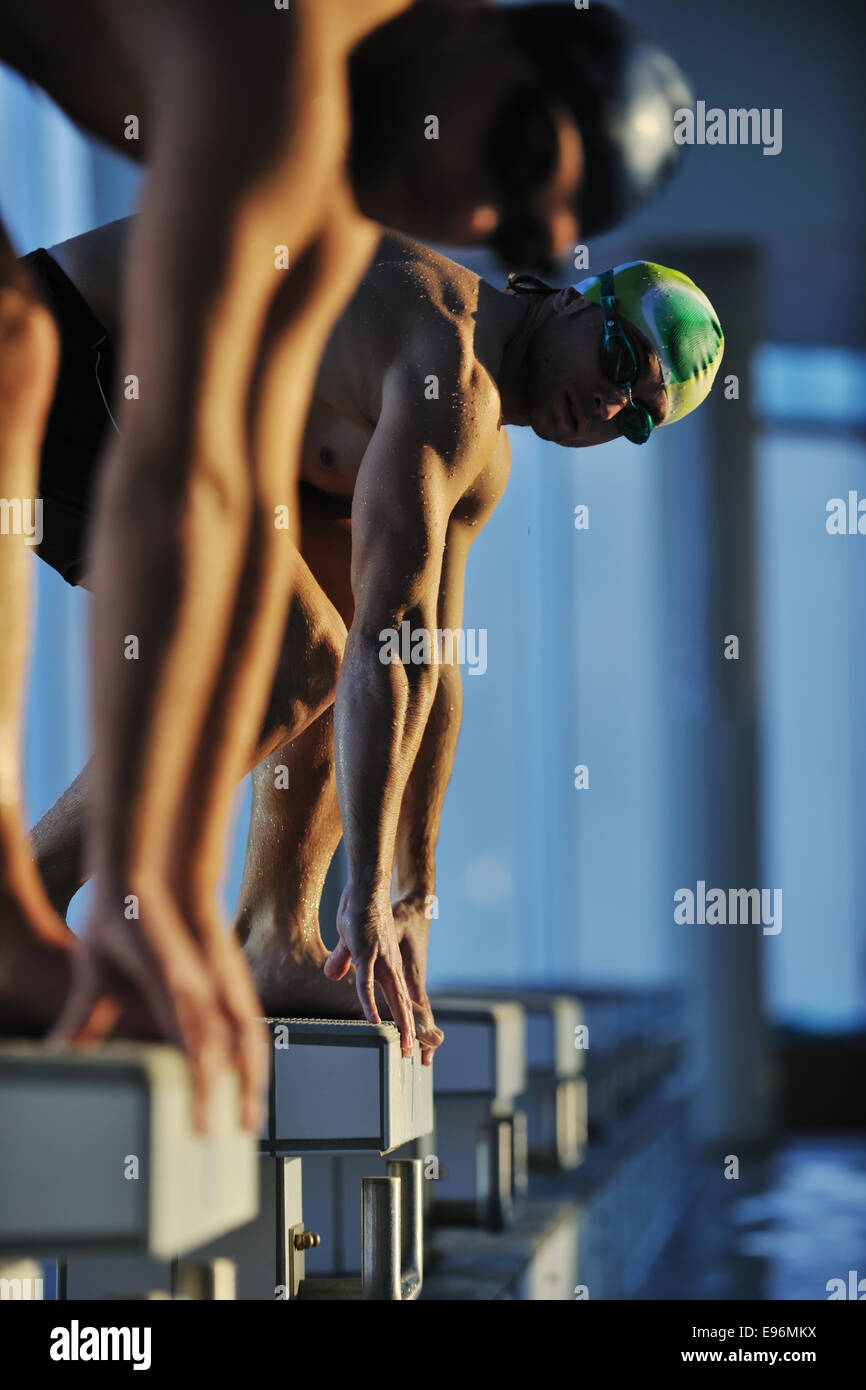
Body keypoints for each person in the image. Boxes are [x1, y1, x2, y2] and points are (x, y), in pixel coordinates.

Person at [0, 0, 691, 1126]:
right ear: (563, 298)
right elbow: (190, 484)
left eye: (635, 415)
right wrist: (163, 887)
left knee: (340, 618)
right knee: (308, 649)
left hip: (110, 379)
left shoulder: (466, 437)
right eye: (617, 355)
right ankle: (33, 899)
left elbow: (424, 664)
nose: (608, 403)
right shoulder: (435, 345)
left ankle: (276, 930)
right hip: (85, 351)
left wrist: (407, 891)